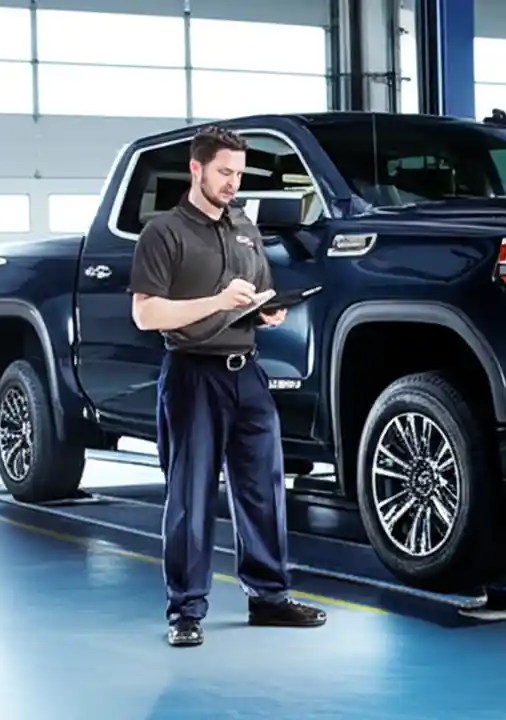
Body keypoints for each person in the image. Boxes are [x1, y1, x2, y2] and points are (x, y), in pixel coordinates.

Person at [127, 125, 327, 646]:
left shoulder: (243, 228)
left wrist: (267, 311)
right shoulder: (164, 233)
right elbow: (147, 313)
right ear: (197, 169)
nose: (233, 183)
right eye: (224, 172)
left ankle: (269, 597)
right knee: (191, 497)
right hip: (193, 374)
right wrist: (218, 301)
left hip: (249, 374)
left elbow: (254, 292)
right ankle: (185, 612)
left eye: (238, 173)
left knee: (263, 492)